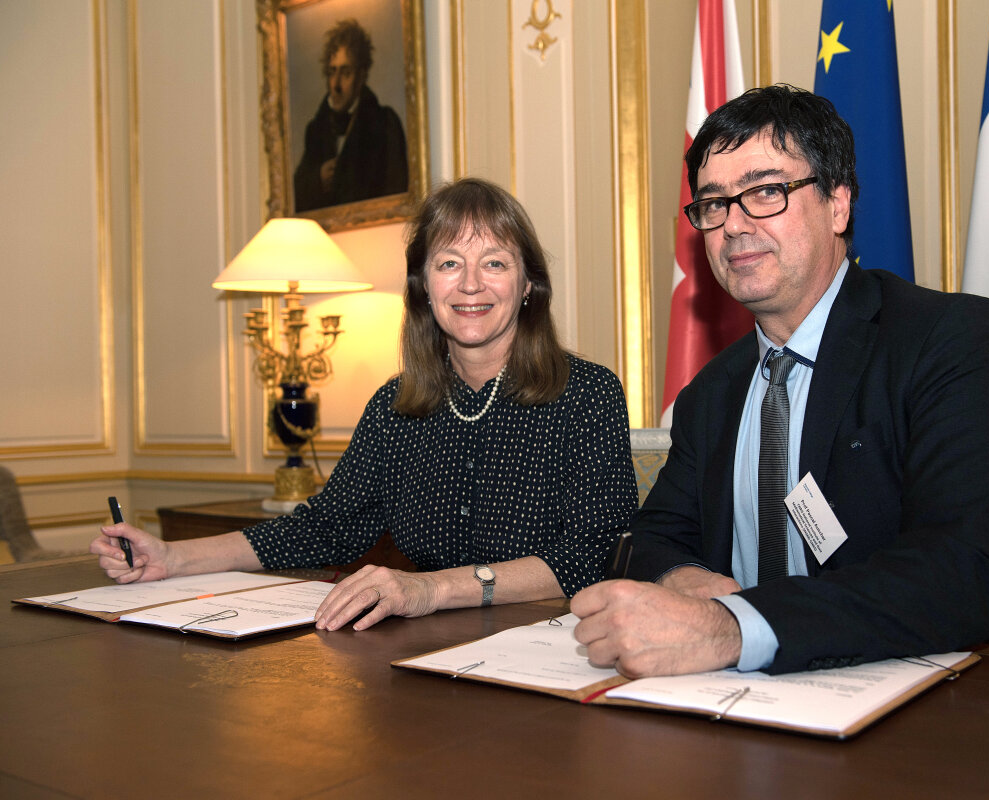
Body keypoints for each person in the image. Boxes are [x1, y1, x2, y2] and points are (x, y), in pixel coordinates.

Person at [572, 84, 989, 677]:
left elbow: (960, 575)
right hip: (769, 706)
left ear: (838, 205)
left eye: (766, 191)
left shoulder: (949, 338)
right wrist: (685, 579)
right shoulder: (711, 392)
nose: (733, 225)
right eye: (714, 203)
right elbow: (652, 536)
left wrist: (734, 628)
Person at [93, 178, 638, 631]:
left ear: (527, 286)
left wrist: (429, 589)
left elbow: (589, 557)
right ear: (423, 287)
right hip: (428, 649)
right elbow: (323, 528)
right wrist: (172, 557)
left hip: (552, 646)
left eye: (494, 263)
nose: (471, 284)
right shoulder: (394, 407)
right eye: (449, 263)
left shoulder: (587, 395)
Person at [293, 18, 408, 212]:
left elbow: (397, 193)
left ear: (361, 76)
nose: (336, 84)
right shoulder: (316, 130)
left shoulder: (385, 124)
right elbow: (295, 199)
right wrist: (318, 179)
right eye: (332, 72)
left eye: (345, 72)